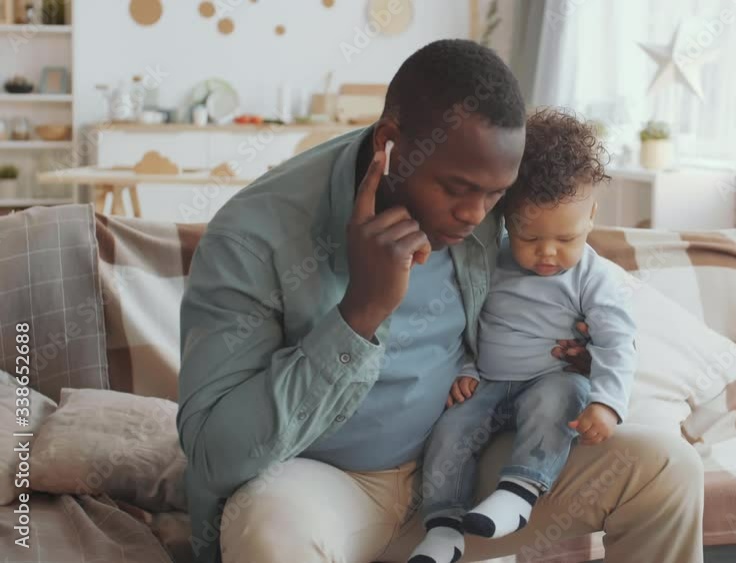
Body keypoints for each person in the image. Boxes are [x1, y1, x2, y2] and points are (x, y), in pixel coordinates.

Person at [178, 39, 704, 563]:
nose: (476, 216)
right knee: (269, 536)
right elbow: (212, 456)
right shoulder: (253, 237)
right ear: (390, 143)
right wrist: (361, 313)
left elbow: (569, 265)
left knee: (666, 469)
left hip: (463, 466)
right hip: (324, 484)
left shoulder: (490, 201)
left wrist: (570, 352)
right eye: (456, 189)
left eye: (495, 196)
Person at [408, 109, 637, 563]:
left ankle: (519, 492)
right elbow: (470, 321)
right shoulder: (490, 260)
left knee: (558, 398)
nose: (547, 253)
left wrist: (607, 402)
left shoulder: (595, 278)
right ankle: (442, 527)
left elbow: (616, 342)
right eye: (529, 237)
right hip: (489, 381)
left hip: (550, 377)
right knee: (450, 430)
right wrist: (466, 369)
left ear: (591, 215)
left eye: (565, 239)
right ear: (507, 219)